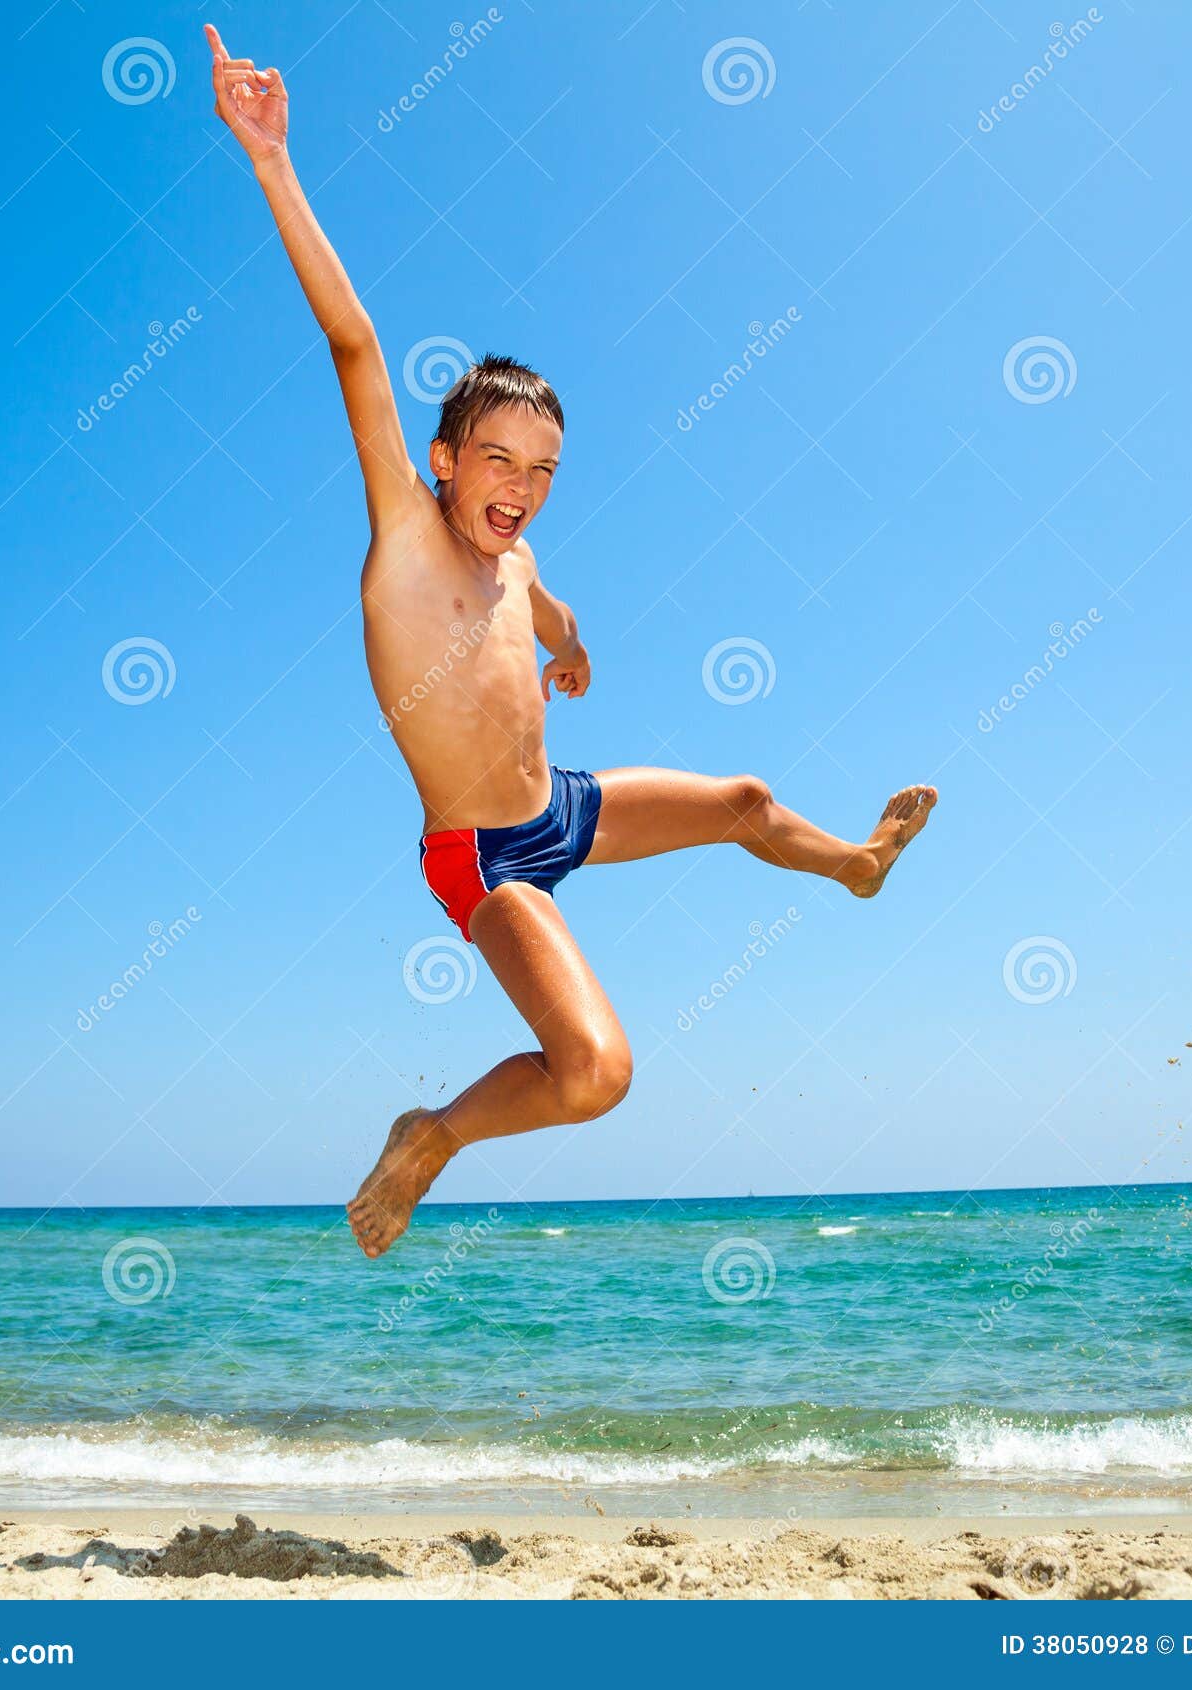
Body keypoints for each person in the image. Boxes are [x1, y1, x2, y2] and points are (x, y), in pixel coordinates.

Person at [204, 27, 938, 1258]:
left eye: (542, 471)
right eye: (497, 460)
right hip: (484, 856)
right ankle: (432, 1130)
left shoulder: (519, 557)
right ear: (444, 462)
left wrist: (572, 652)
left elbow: (549, 611)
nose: (521, 487)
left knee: (751, 798)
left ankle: (856, 866)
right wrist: (272, 159)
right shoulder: (408, 538)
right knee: (595, 1070)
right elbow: (354, 345)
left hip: (565, 803)